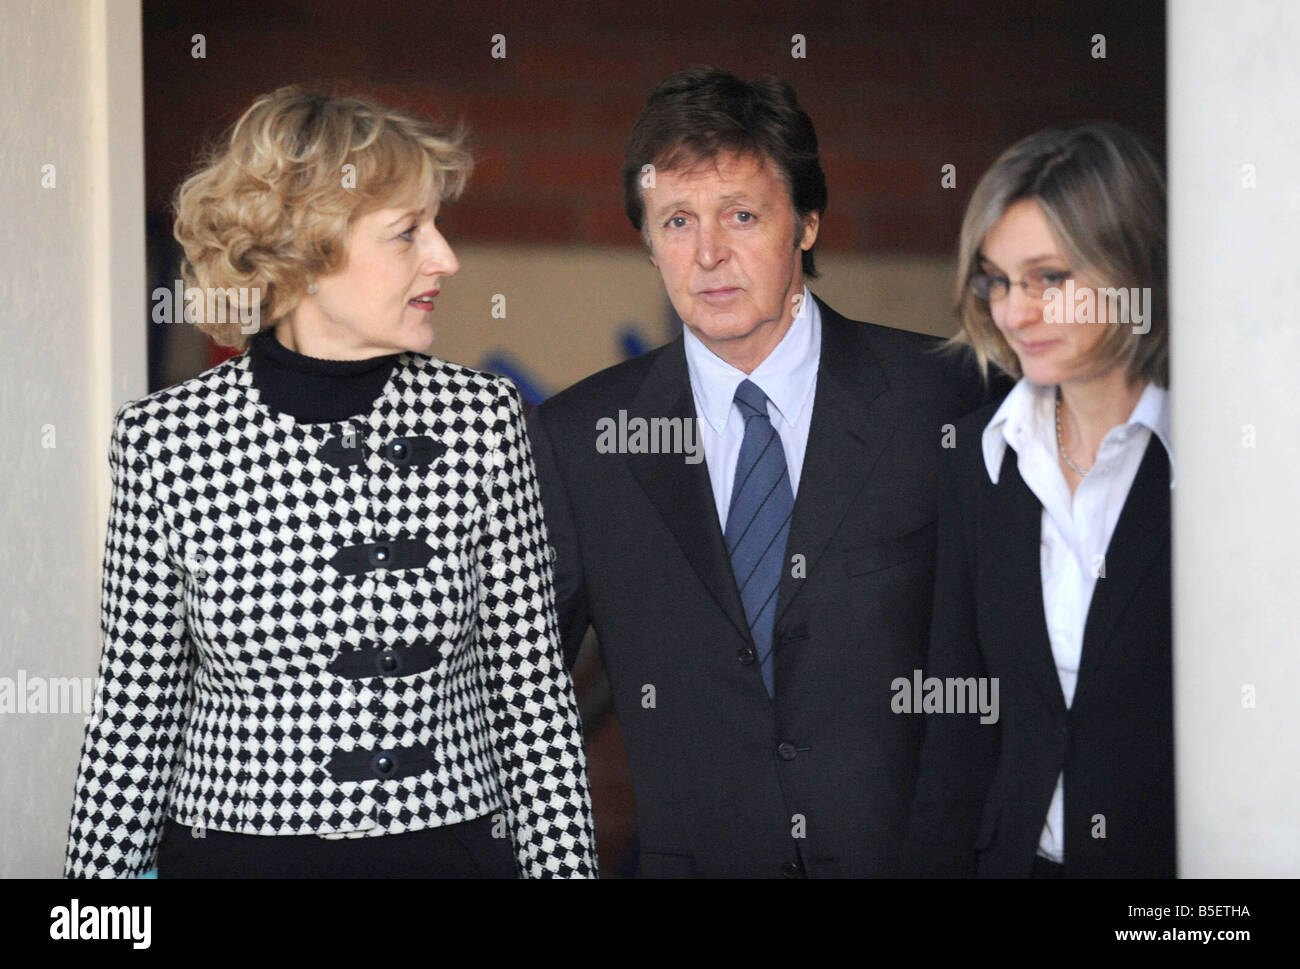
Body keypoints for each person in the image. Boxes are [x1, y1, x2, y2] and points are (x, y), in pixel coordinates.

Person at [63, 87, 596, 878]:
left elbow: (535, 706)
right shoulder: (164, 442)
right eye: (408, 232)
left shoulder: (485, 419)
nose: (444, 258)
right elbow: (132, 720)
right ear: (306, 249)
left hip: (449, 857)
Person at [527, 67, 993, 877]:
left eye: (741, 215)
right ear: (646, 240)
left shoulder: (945, 400)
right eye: (676, 220)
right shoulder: (576, 439)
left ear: (807, 223)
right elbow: (518, 697)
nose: (708, 253)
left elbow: (1017, 671)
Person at [901, 122, 1173, 878]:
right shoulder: (979, 457)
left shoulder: (1220, 461)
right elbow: (957, 728)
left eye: (1050, 277)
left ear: (1132, 266)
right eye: (997, 278)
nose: (1015, 310)